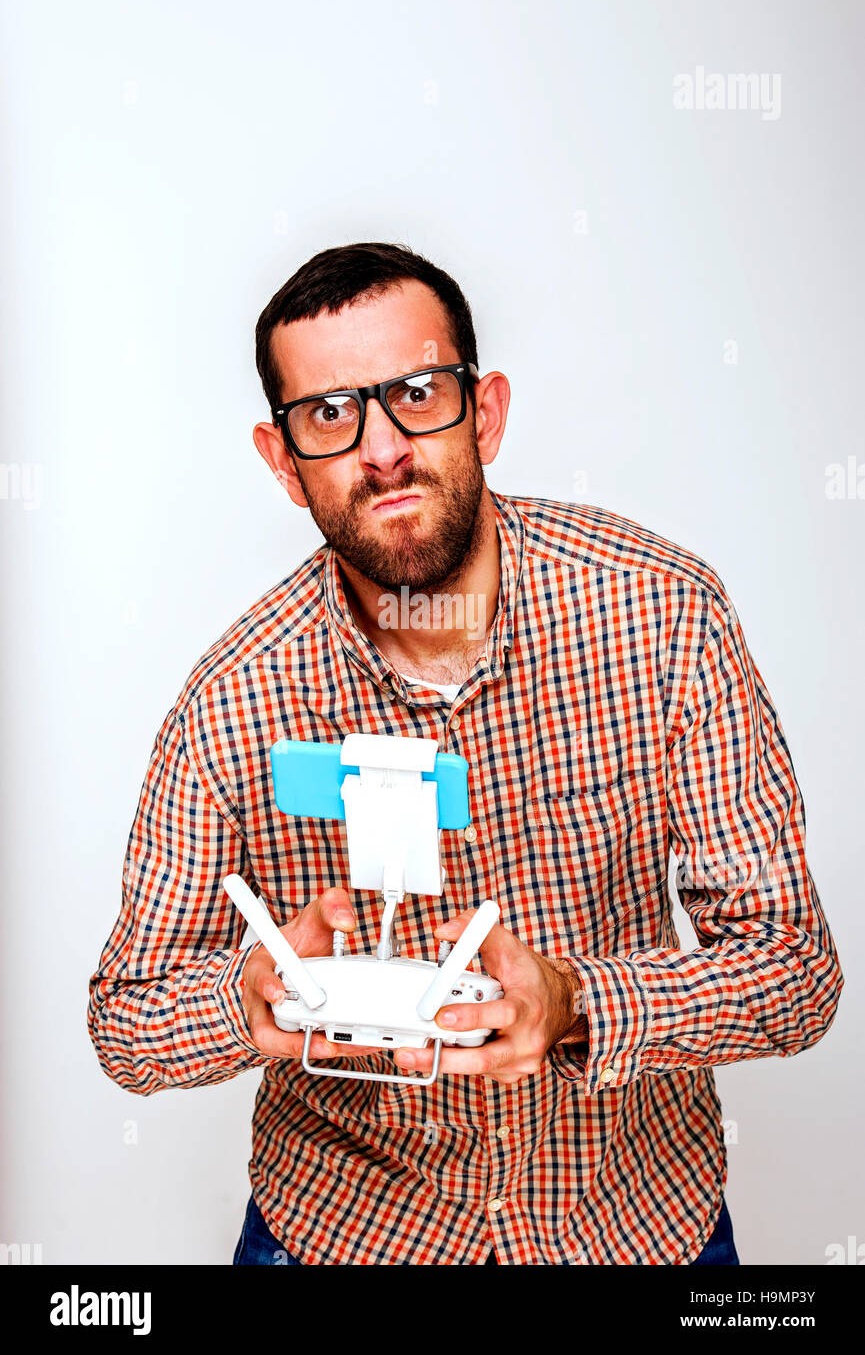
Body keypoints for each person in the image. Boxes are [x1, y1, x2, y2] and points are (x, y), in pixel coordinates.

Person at [87, 241, 843, 1266]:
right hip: (346, 1233)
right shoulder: (234, 699)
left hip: (631, 1225)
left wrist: (576, 1004)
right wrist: (246, 1000)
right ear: (281, 460)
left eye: (414, 392)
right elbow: (128, 1022)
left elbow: (793, 974)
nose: (383, 447)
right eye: (329, 414)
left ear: (482, 409)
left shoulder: (662, 619)